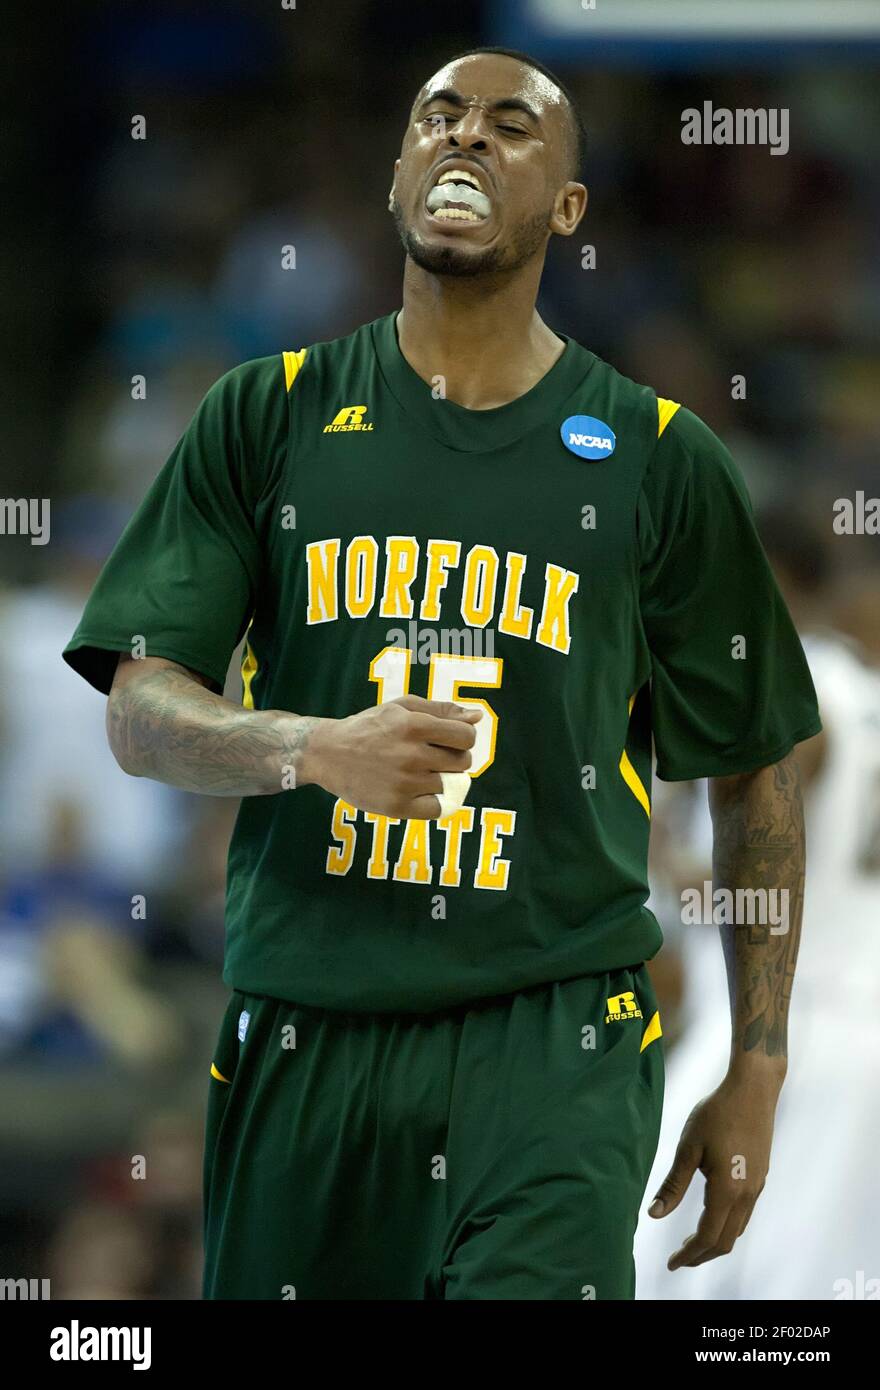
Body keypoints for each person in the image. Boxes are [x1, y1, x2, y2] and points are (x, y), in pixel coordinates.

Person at [63, 47, 821, 1300]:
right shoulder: (266, 414)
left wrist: (757, 1063)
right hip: (309, 1019)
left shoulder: (659, 457)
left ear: (567, 206)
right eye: (438, 118)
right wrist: (308, 746)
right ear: (401, 171)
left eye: (511, 127)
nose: (466, 139)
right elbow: (143, 717)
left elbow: (753, 773)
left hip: (552, 1034)